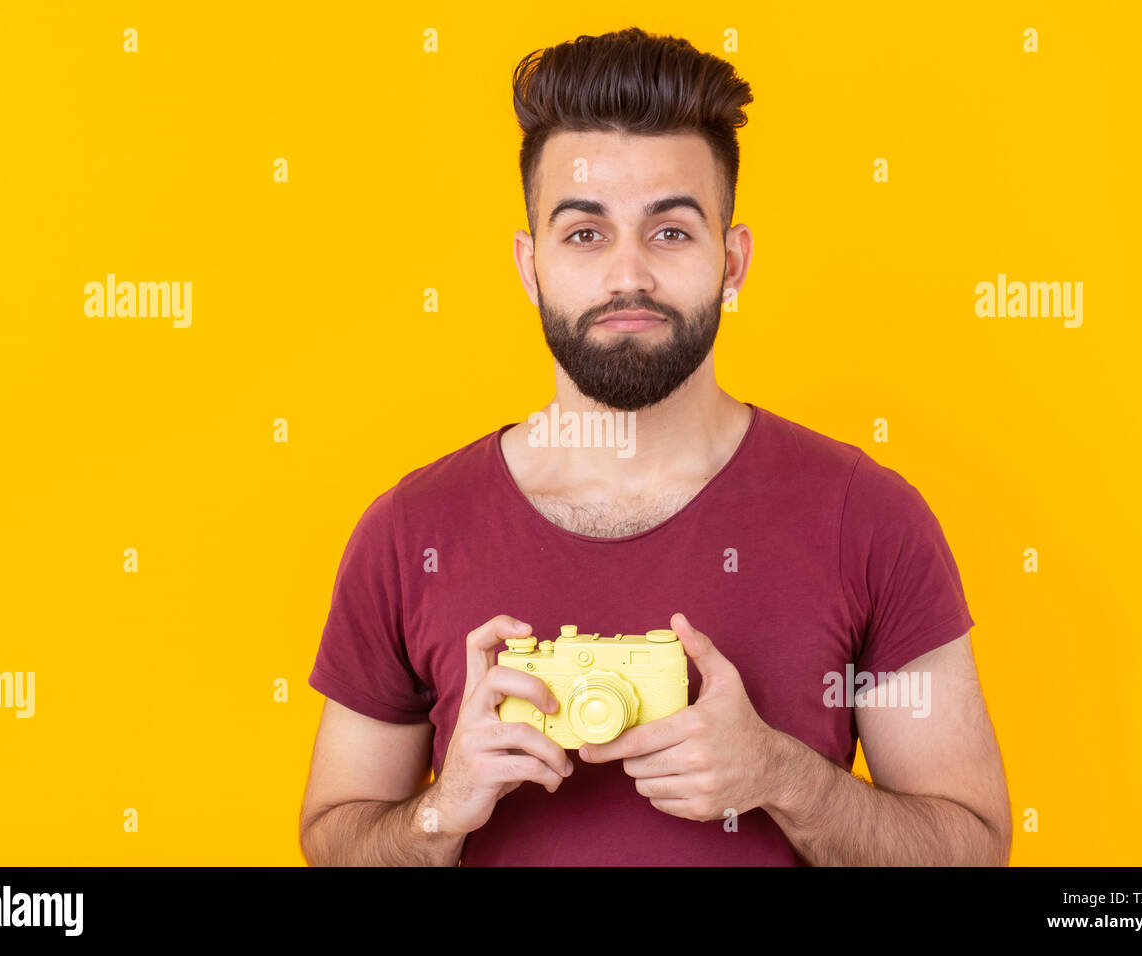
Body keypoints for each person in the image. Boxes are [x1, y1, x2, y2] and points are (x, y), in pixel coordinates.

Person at [299, 26, 1010, 866]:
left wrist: (783, 775)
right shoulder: (408, 532)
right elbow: (333, 842)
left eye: (670, 231)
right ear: (529, 266)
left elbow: (973, 850)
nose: (627, 276)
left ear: (732, 260)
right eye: (585, 234)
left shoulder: (871, 518)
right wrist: (441, 812)